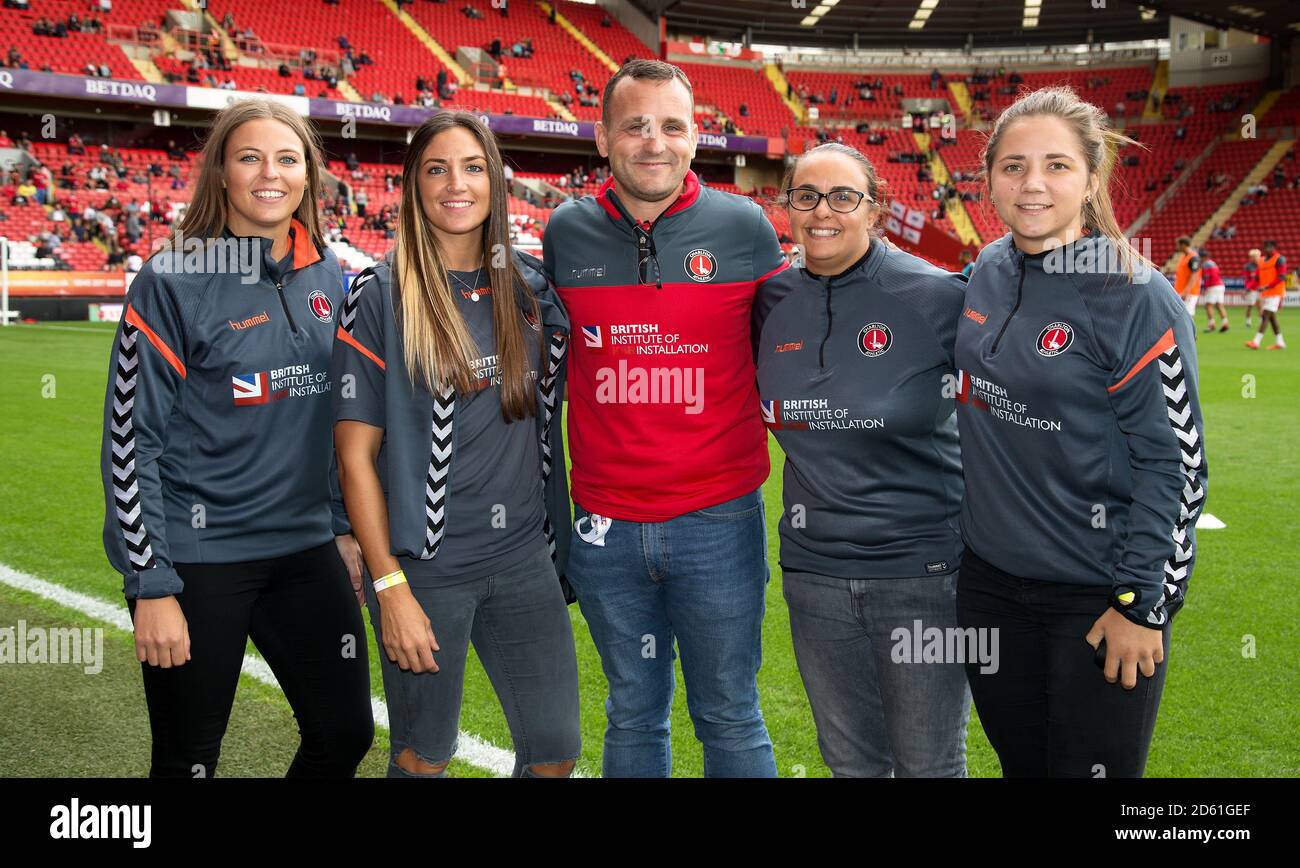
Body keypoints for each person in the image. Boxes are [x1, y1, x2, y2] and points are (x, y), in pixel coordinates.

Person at [98, 98, 373, 778]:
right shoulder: (172, 279)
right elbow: (132, 442)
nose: (269, 174)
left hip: (305, 547)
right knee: (189, 760)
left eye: (287, 159)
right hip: (198, 558)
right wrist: (152, 582)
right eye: (249, 157)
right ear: (221, 173)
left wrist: (343, 527)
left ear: (310, 175)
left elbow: (341, 417)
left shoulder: (330, 274)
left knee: (343, 735)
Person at [542, 59, 788, 777]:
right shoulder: (567, 234)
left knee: (730, 713)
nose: (655, 142)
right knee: (632, 712)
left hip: (719, 520)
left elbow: (788, 353)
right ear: (602, 138)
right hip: (604, 527)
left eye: (672, 125)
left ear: (695, 136)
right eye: (636, 125)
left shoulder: (744, 227)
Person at [955, 87, 1206, 777]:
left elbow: (1175, 467)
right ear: (990, 179)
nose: (1032, 183)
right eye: (1012, 166)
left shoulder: (1136, 295)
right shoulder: (986, 271)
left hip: (1098, 599)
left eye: (1056, 166)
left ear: (1092, 178)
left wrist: (1142, 604)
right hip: (989, 588)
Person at [332, 112, 581, 779]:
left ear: (497, 184)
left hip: (526, 558)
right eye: (436, 168)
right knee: (423, 757)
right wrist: (390, 588)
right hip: (427, 570)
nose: (455, 184)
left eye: (473, 168)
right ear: (413, 185)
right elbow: (354, 457)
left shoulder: (530, 289)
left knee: (555, 752)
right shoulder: (381, 295)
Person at [755, 142, 971, 777]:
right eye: (806, 196)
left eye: (843, 196)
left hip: (925, 575)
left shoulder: (937, 296)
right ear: (788, 208)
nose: (823, 211)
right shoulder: (767, 300)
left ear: (873, 209)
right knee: (850, 765)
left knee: (928, 765)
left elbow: (1019, 405)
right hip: (813, 573)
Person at [1246, 240, 1286, 349]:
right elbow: (1257, 278)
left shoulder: (1279, 259)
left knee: (1265, 315)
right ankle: (1280, 342)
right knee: (1272, 318)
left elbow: (1282, 276)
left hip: (1276, 292)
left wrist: (1268, 286)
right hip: (1265, 293)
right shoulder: (1262, 260)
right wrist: (1249, 288)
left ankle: (1256, 341)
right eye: (1265, 247)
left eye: (1269, 247)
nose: (1266, 249)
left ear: (1274, 247)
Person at [1198, 244, 1228, 332]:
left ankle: (1211, 324)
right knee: (1219, 305)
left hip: (1212, 286)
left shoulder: (1205, 265)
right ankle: (1225, 322)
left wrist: (1205, 288)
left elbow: (1207, 277)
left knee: (1208, 305)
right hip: (1220, 285)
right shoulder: (1213, 263)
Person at [1172, 236, 1200, 318]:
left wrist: (1186, 292)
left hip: (1189, 292)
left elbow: (1194, 276)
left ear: (1183, 245)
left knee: (1187, 317)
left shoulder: (1193, 258)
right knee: (1180, 317)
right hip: (1180, 291)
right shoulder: (1184, 257)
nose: (1177, 247)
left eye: (1178, 245)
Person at [1242, 248, 1261, 331]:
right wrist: (1247, 289)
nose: (1252, 258)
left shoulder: (1262, 265)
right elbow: (1247, 279)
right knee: (1250, 306)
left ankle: (1261, 322)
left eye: (1254, 256)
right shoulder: (1247, 267)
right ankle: (1248, 322)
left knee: (1260, 306)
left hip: (1260, 289)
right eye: (1251, 257)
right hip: (1251, 289)